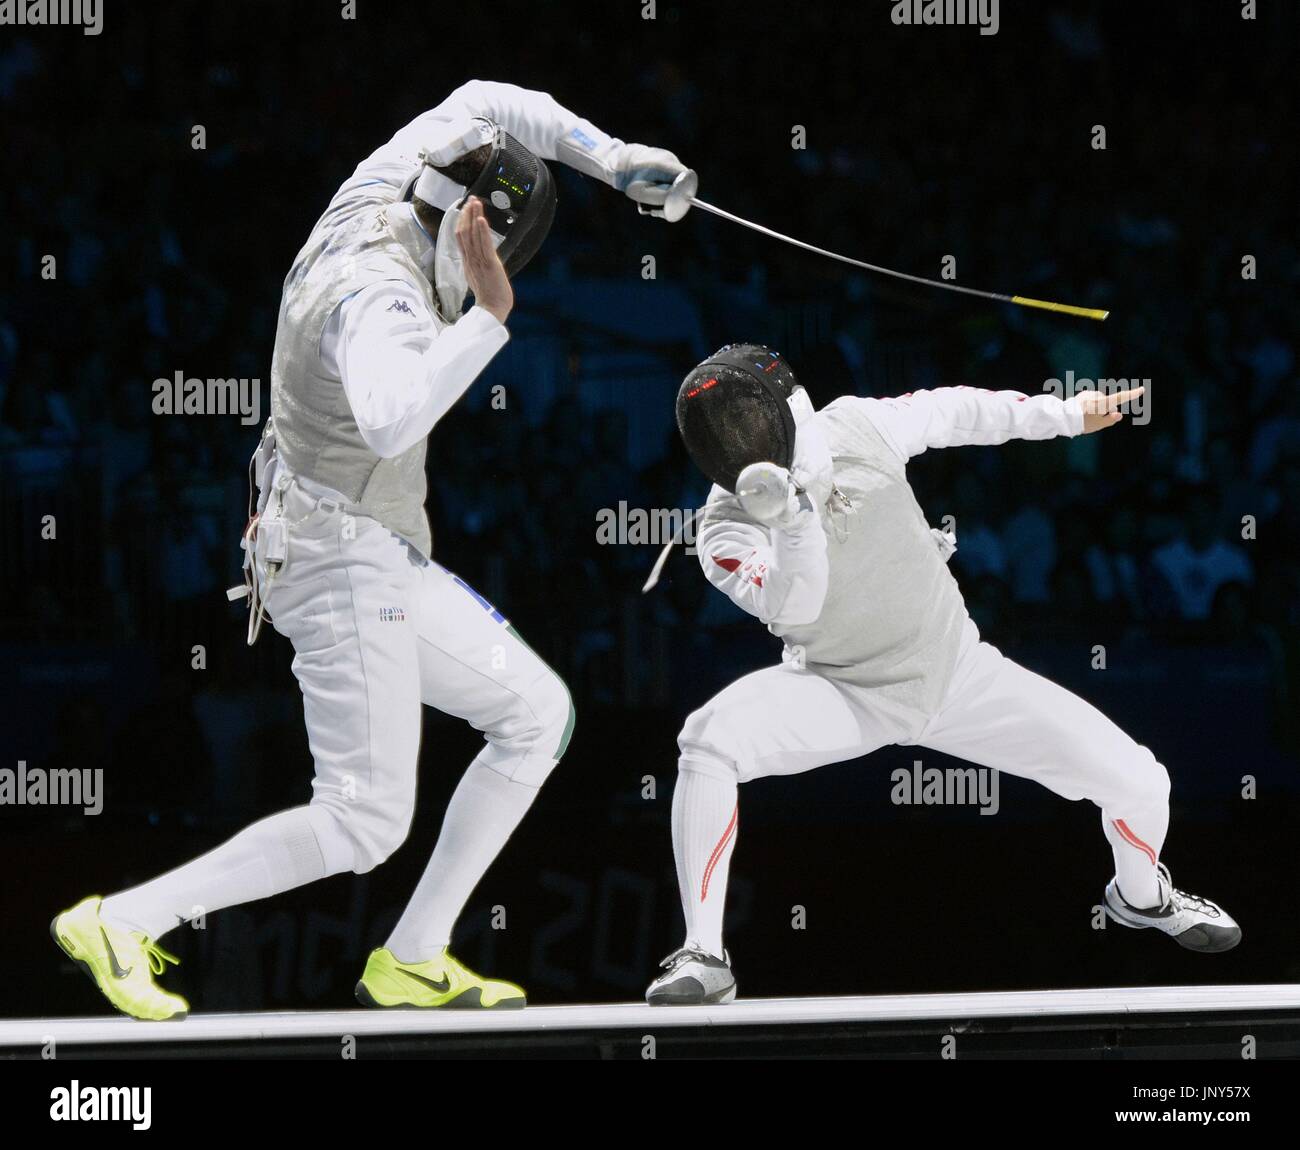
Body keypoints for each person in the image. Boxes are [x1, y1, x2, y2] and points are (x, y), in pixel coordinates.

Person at [51, 80, 690, 1019]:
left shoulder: (386, 181)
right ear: (471, 235)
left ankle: (415, 957)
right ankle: (123, 922)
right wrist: (490, 313)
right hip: (336, 557)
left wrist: (614, 159)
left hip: (366, 541)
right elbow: (392, 419)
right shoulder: (381, 296)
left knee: (535, 714)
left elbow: (489, 98)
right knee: (364, 819)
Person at [646, 344, 1241, 1006]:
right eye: (723, 432)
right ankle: (704, 953)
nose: (740, 439)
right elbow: (800, 604)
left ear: (786, 406)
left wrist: (1065, 416)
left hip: (958, 673)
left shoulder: (859, 425)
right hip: (842, 688)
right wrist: (790, 521)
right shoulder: (724, 532)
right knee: (709, 739)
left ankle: (1142, 896)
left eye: (746, 419)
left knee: (1141, 782)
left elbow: (956, 411)